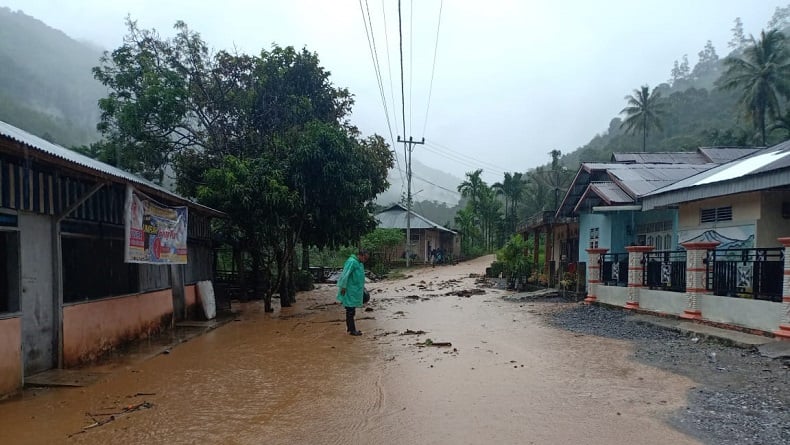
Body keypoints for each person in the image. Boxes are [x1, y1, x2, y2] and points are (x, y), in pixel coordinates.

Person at [336, 248, 370, 336]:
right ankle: (352, 330)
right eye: (365, 258)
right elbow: (345, 274)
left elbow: (360, 276)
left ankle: (351, 329)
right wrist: (343, 287)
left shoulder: (359, 263)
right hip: (349, 290)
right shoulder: (352, 262)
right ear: (361, 255)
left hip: (355, 290)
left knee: (352, 310)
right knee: (350, 310)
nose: (365, 260)